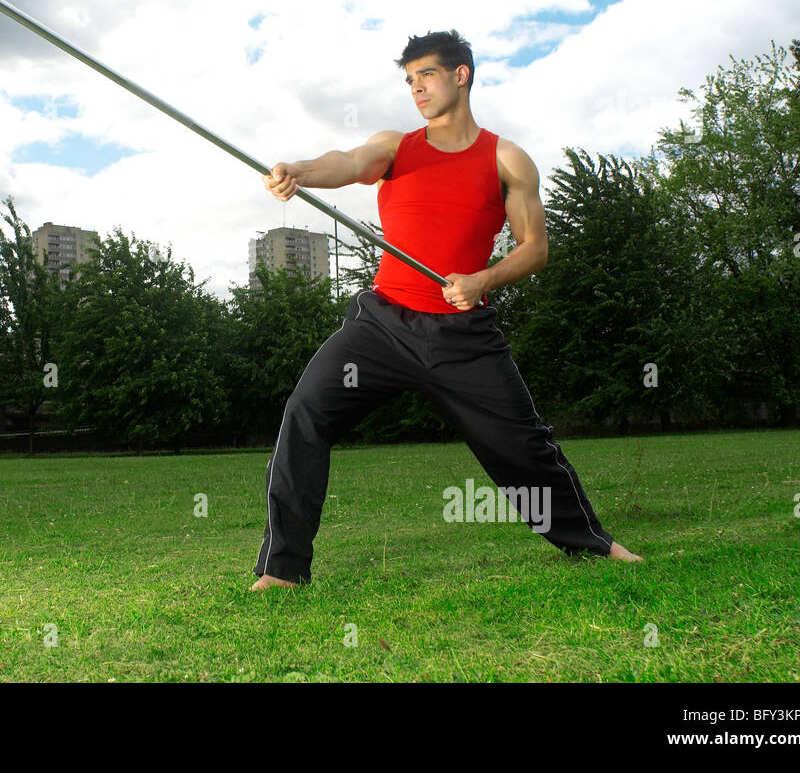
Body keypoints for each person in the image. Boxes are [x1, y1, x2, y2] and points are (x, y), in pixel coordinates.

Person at [250, 30, 642, 591]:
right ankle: (283, 570)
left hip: (463, 335)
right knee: (305, 414)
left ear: (462, 75)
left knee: (523, 447)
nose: (416, 89)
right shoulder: (396, 147)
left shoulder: (506, 158)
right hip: (381, 325)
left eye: (427, 75)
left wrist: (485, 277)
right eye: (409, 80)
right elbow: (349, 161)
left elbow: (535, 247)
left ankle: (590, 543)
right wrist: (300, 172)